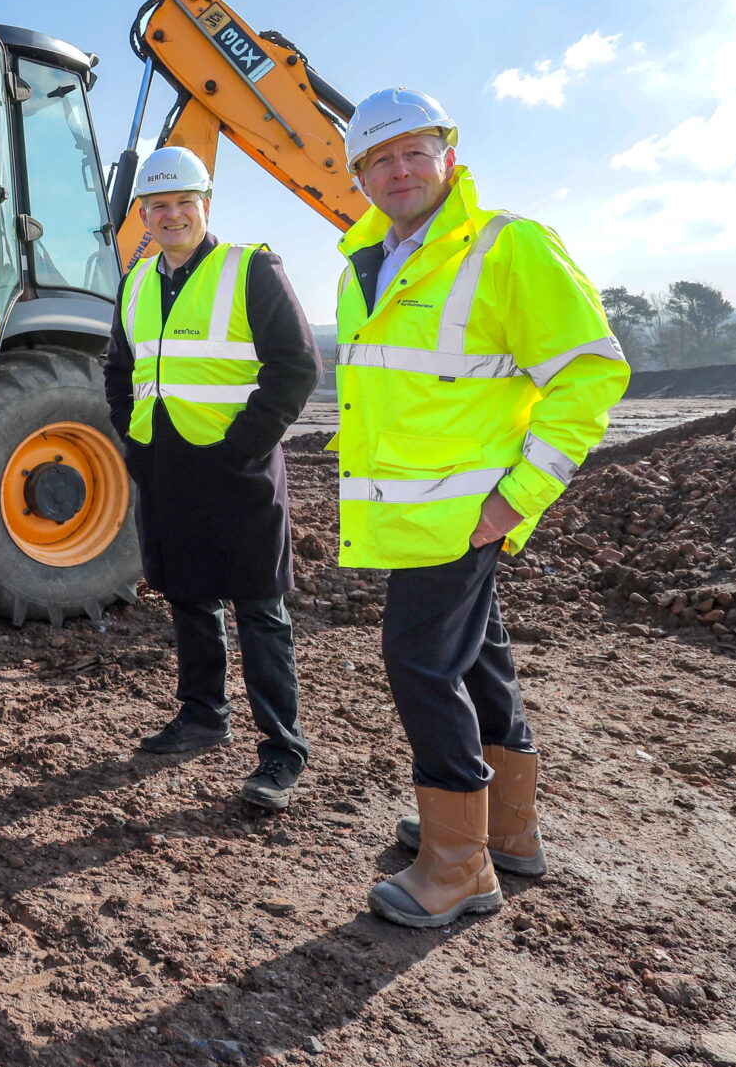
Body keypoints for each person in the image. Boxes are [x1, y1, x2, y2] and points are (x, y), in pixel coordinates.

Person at [335, 89, 628, 928]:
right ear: (359, 176)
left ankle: (458, 866)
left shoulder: (508, 244)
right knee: (477, 656)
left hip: (465, 512)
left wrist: (516, 496)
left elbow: (589, 374)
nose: (399, 170)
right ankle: (506, 828)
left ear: (449, 158)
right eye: (380, 159)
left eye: (414, 152)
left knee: (420, 663)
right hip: (416, 513)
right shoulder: (365, 264)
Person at [104, 147, 321, 810]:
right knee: (188, 596)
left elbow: (297, 367)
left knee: (259, 608)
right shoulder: (136, 282)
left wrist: (244, 446)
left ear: (205, 205)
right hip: (165, 463)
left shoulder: (251, 269)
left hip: (237, 468)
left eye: (183, 203)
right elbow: (119, 370)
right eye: (158, 206)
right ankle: (203, 715)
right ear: (143, 214)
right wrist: (133, 439)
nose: (171, 215)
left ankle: (281, 750)